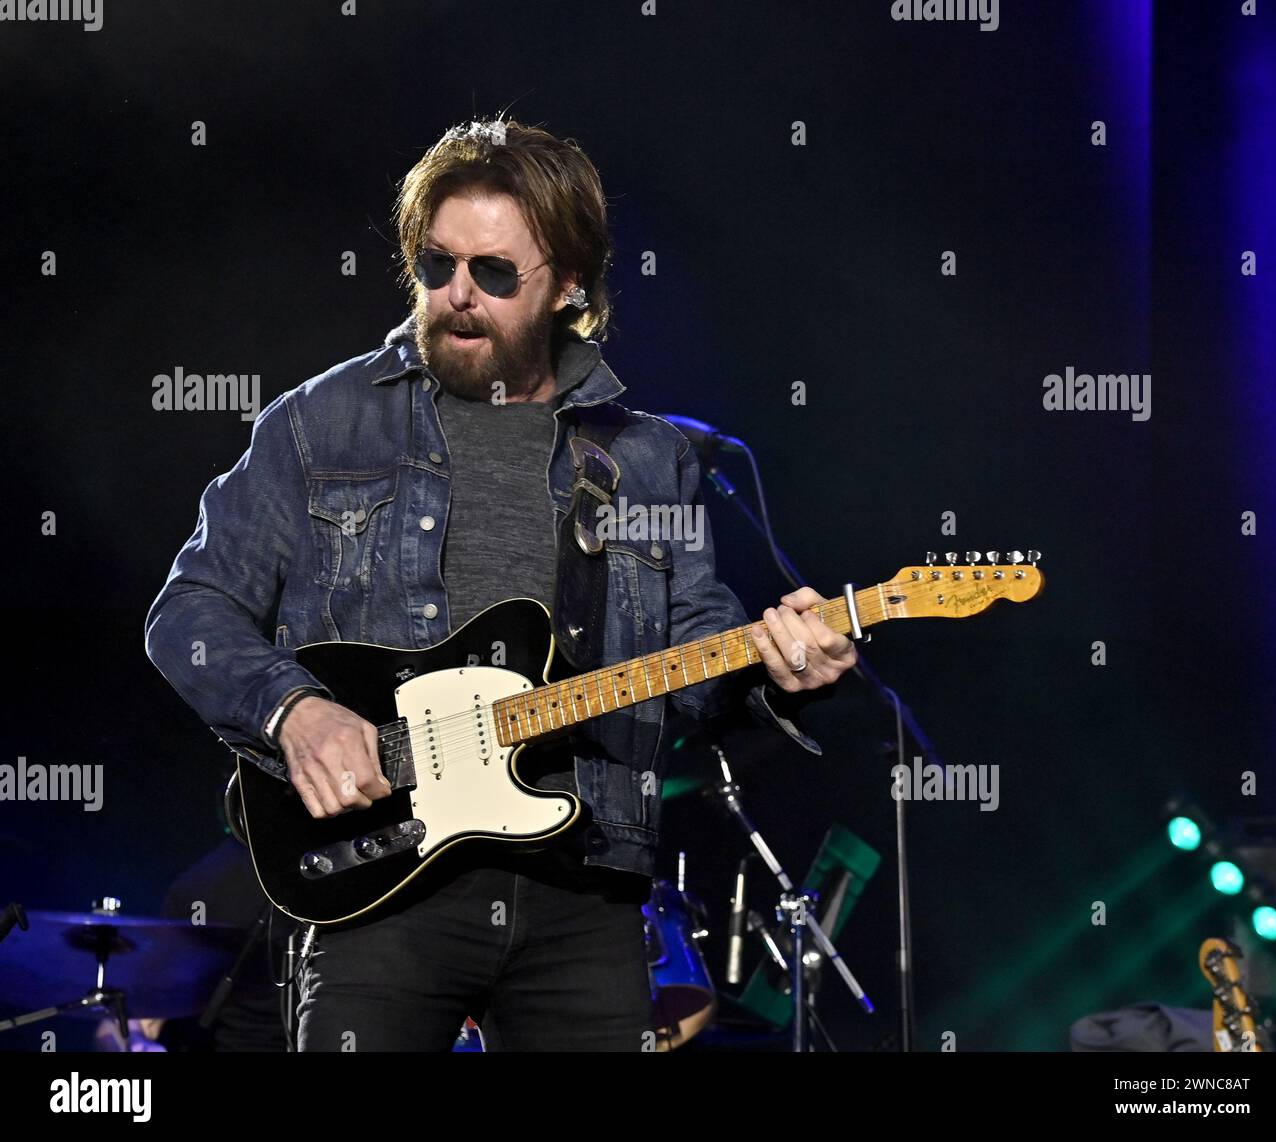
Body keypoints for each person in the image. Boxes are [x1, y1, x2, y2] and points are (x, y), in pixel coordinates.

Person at [144, 116, 856, 1052]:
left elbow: (695, 659)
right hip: (378, 890)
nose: (457, 296)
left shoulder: (643, 459)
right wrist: (295, 713)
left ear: (567, 285)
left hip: (587, 890)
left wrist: (775, 669)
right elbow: (190, 611)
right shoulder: (323, 424)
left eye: (493, 273)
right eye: (437, 267)